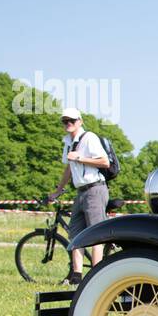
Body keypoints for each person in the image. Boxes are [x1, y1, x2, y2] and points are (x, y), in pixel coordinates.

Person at [47, 107, 110, 284]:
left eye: (71, 121)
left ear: (80, 122)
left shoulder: (89, 138)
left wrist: (79, 158)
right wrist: (59, 190)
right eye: (65, 121)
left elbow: (104, 162)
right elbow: (68, 167)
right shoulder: (67, 141)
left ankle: (97, 278)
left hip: (95, 189)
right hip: (81, 191)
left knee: (97, 234)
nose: (68, 124)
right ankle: (76, 277)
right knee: (76, 235)